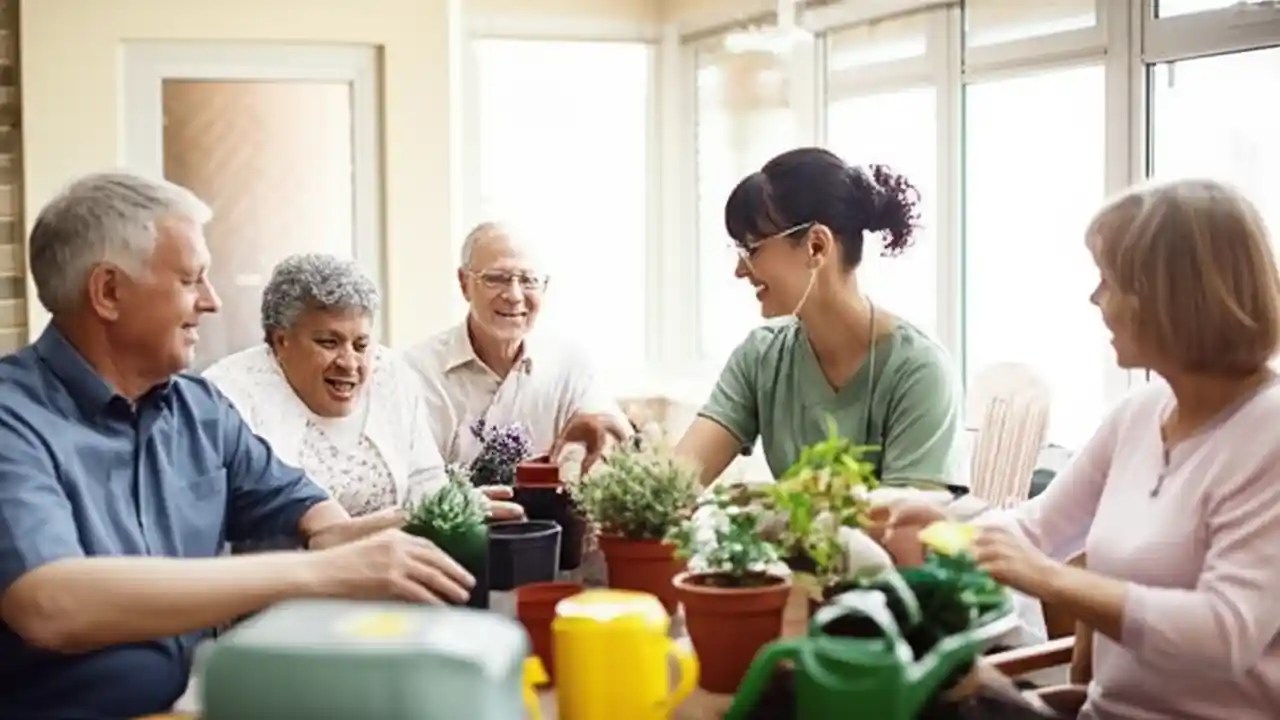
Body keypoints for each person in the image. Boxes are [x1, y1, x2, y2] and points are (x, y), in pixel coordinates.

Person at [0, 172, 473, 719]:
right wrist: (324, 572)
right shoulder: (14, 418)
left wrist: (371, 534)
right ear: (108, 291)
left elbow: (309, 512)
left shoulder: (199, 409)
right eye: (190, 280)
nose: (213, 301)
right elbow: (49, 602)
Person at [885, 178, 1280, 719]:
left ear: (1168, 297)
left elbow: (1225, 633)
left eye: (1110, 281)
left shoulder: (1268, 432)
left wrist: (1050, 580)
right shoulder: (1139, 413)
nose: (1096, 300)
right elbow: (1034, 531)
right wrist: (938, 523)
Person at [673, 147, 963, 487]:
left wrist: (763, 514)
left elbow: (907, 528)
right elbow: (676, 482)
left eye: (752, 249)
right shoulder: (761, 357)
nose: (740, 270)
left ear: (817, 247)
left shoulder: (919, 372)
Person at [203, 253, 522, 525]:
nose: (349, 362)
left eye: (361, 344)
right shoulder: (227, 396)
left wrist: (453, 509)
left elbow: (424, 479)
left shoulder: (391, 375)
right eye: (328, 342)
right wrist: (410, 519)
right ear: (281, 340)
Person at [406, 221, 631, 471]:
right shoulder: (416, 372)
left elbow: (616, 438)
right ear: (464, 283)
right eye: (496, 279)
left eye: (528, 280)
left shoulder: (569, 366)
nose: (514, 295)